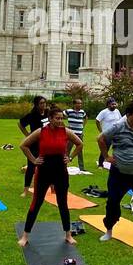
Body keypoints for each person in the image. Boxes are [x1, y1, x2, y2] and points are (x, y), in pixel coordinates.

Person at [18, 105, 84, 247]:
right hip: (43, 171)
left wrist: (70, 157)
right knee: (36, 203)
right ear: (50, 118)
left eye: (61, 118)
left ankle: (68, 235)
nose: (60, 121)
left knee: (63, 203)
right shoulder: (41, 131)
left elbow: (80, 144)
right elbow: (23, 145)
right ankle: (25, 236)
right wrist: (33, 160)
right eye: (57, 118)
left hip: (60, 171)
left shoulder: (66, 131)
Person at [97, 102, 133, 241]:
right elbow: (100, 138)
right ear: (128, 115)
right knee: (113, 202)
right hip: (119, 174)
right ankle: (109, 231)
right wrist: (106, 156)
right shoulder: (118, 127)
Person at [19, 95, 50, 198]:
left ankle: (51, 188)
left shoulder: (47, 113)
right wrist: (28, 135)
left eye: (44, 103)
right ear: (36, 105)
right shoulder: (32, 115)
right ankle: (26, 190)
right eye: (41, 103)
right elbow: (20, 124)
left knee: (48, 165)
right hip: (34, 144)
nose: (44, 105)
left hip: (46, 142)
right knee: (31, 167)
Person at [65, 98, 89, 169]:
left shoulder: (82, 112)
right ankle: (64, 166)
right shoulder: (69, 111)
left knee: (80, 150)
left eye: (81, 103)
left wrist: (83, 126)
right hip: (71, 135)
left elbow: (86, 118)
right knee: (67, 150)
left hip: (80, 134)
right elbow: (60, 116)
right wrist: (65, 126)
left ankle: (81, 167)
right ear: (74, 104)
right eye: (78, 103)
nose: (80, 105)